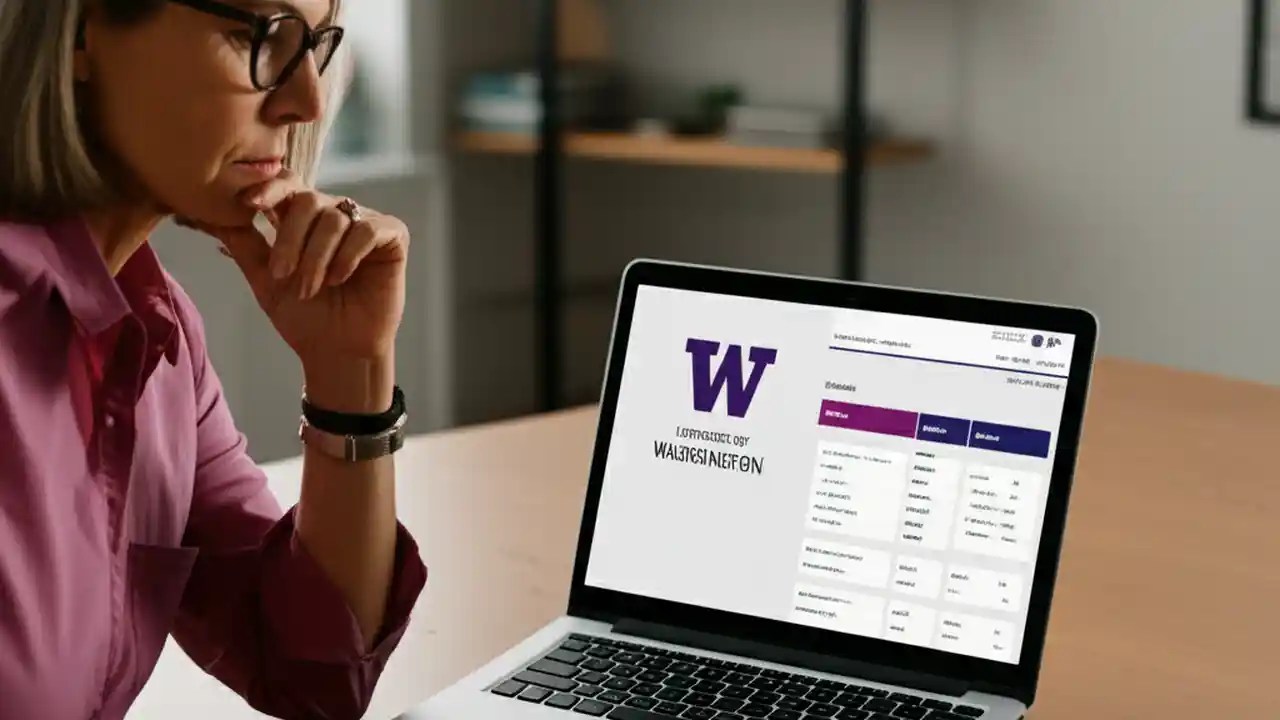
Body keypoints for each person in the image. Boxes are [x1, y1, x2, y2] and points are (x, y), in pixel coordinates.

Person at [0, 1, 428, 718]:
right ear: (81, 34)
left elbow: (313, 678)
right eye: (256, 36)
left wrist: (349, 374)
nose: (308, 101)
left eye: (316, 47)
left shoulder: (159, 338)